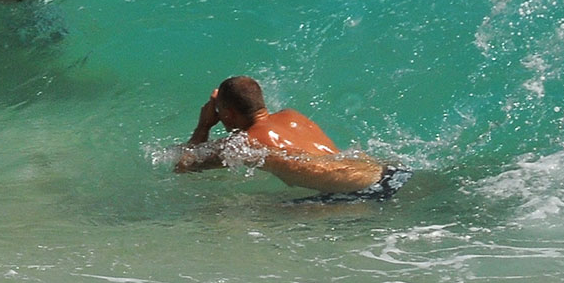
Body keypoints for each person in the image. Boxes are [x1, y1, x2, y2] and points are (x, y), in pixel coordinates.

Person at [174, 75, 409, 197]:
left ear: (228, 113)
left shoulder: (245, 142)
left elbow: (183, 166)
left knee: (242, 215)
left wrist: (203, 126)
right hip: (388, 171)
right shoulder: (292, 115)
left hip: (363, 193)